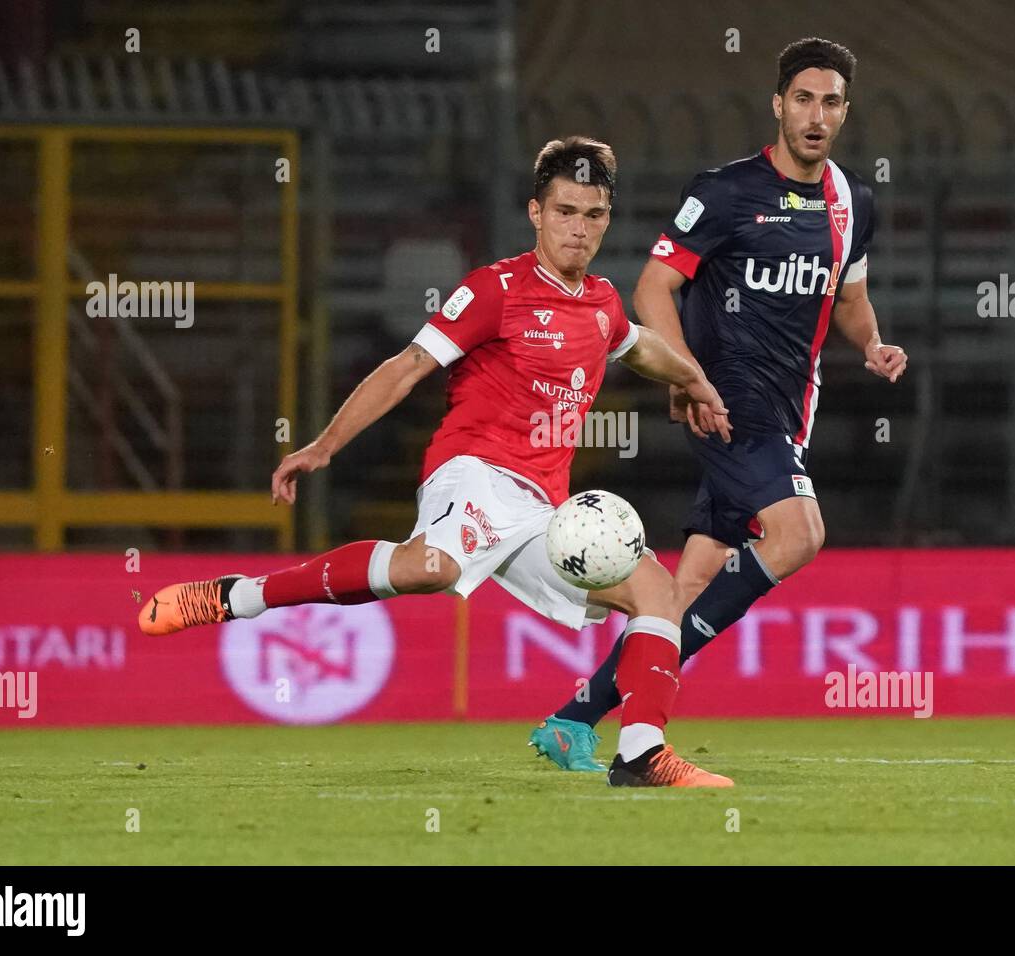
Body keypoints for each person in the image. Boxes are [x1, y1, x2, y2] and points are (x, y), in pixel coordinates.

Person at [139, 136, 734, 788]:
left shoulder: (601, 304)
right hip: (475, 469)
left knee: (656, 592)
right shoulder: (494, 290)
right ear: (536, 212)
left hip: (543, 509)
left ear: (608, 220)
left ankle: (641, 754)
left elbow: (641, 347)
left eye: (593, 215)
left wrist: (696, 383)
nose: (578, 228)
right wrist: (325, 445)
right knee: (430, 568)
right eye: (565, 211)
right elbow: (409, 366)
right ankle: (238, 597)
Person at [531, 40, 908, 770]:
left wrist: (873, 344)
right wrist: (687, 380)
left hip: (790, 412)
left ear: (844, 112)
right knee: (798, 534)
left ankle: (575, 718)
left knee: (687, 591)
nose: (815, 114)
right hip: (728, 406)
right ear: (777, 104)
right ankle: (642, 745)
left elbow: (851, 298)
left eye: (830, 102)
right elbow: (651, 290)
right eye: (803, 98)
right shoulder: (728, 192)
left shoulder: (852, 201)